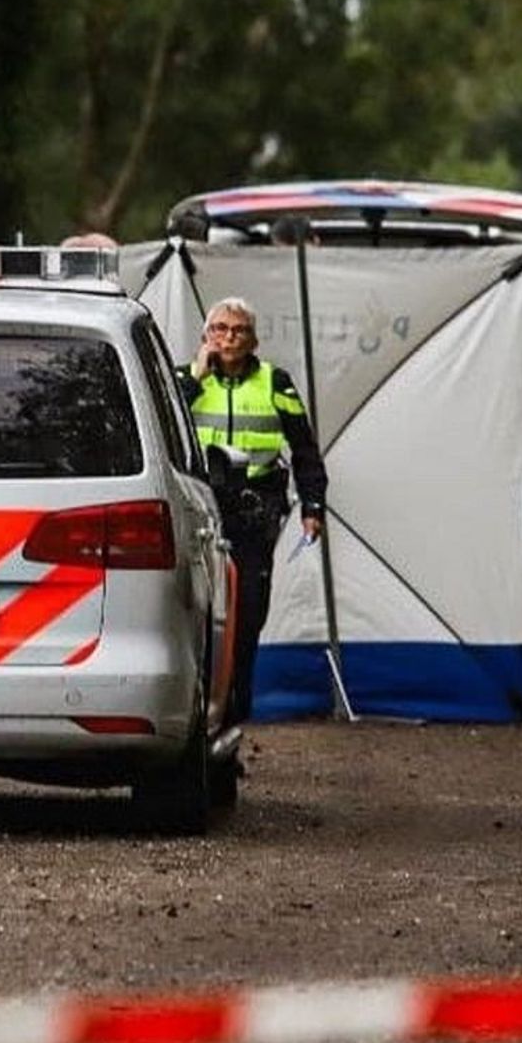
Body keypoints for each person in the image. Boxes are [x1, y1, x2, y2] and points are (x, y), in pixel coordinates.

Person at [179, 298, 328, 726]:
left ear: (254, 339)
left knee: (245, 619)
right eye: (220, 329)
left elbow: (304, 449)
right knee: (193, 612)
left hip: (252, 513)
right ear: (206, 335)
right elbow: (165, 425)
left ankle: (232, 722)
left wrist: (312, 504)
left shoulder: (275, 383)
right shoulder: (182, 378)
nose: (229, 337)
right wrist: (195, 377)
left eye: (239, 330)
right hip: (198, 509)